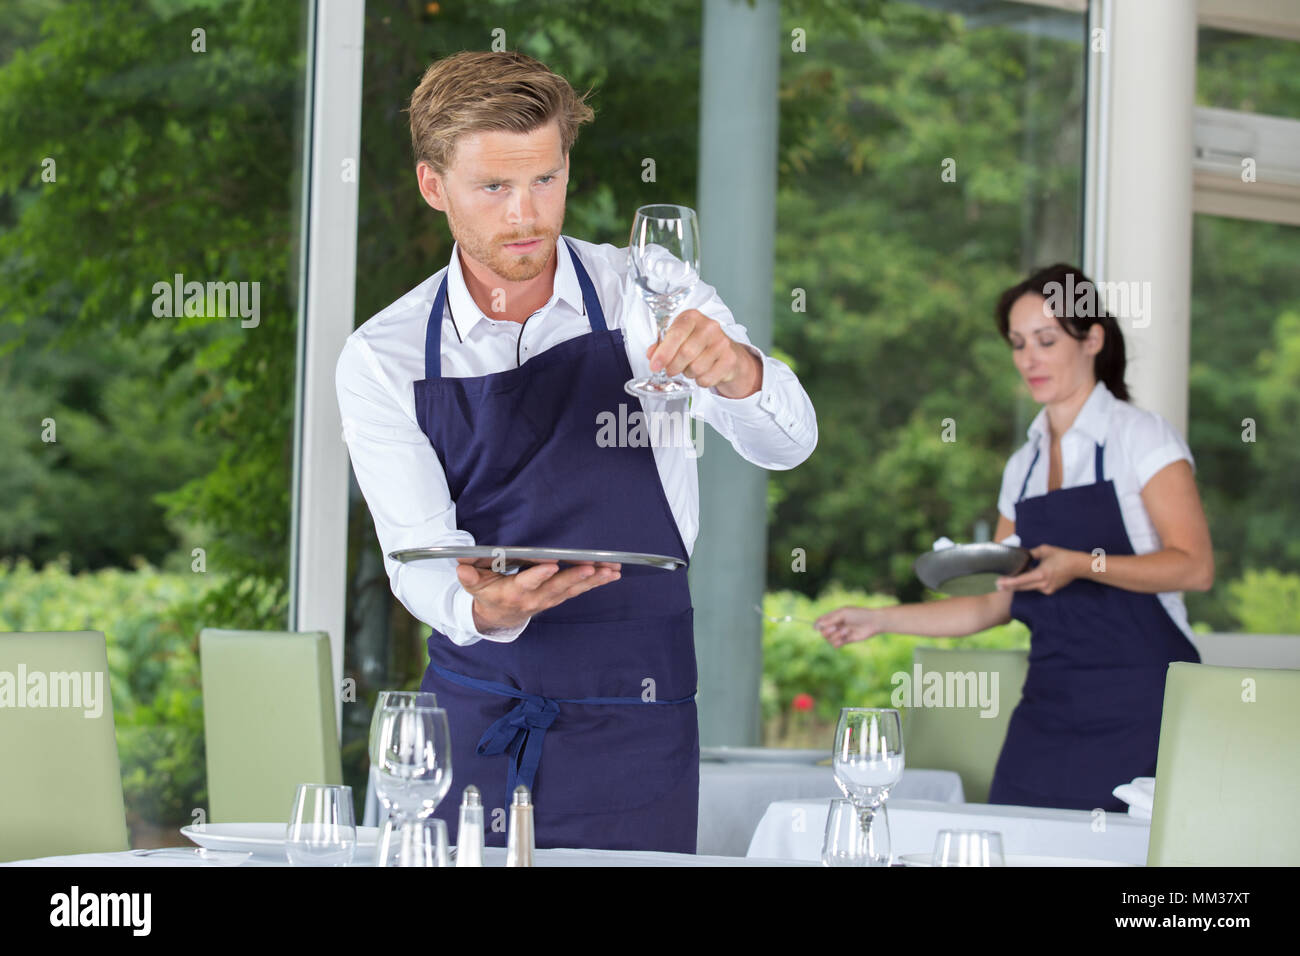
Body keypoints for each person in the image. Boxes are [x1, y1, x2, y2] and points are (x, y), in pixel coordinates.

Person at [336, 50, 817, 852]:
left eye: (546, 180)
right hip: (477, 704)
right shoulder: (384, 355)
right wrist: (479, 609)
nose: (526, 214)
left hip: (640, 706)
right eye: (494, 187)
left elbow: (790, 444)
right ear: (434, 186)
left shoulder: (649, 291)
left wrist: (737, 370)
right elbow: (416, 553)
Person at [816, 263, 1213, 812]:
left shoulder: (1140, 437)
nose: (1029, 358)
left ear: (1092, 339)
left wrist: (1082, 565)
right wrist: (878, 619)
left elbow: (1194, 566)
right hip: (1051, 707)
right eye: (1018, 343)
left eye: (1046, 340)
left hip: (1144, 704)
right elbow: (995, 603)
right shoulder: (1022, 466)